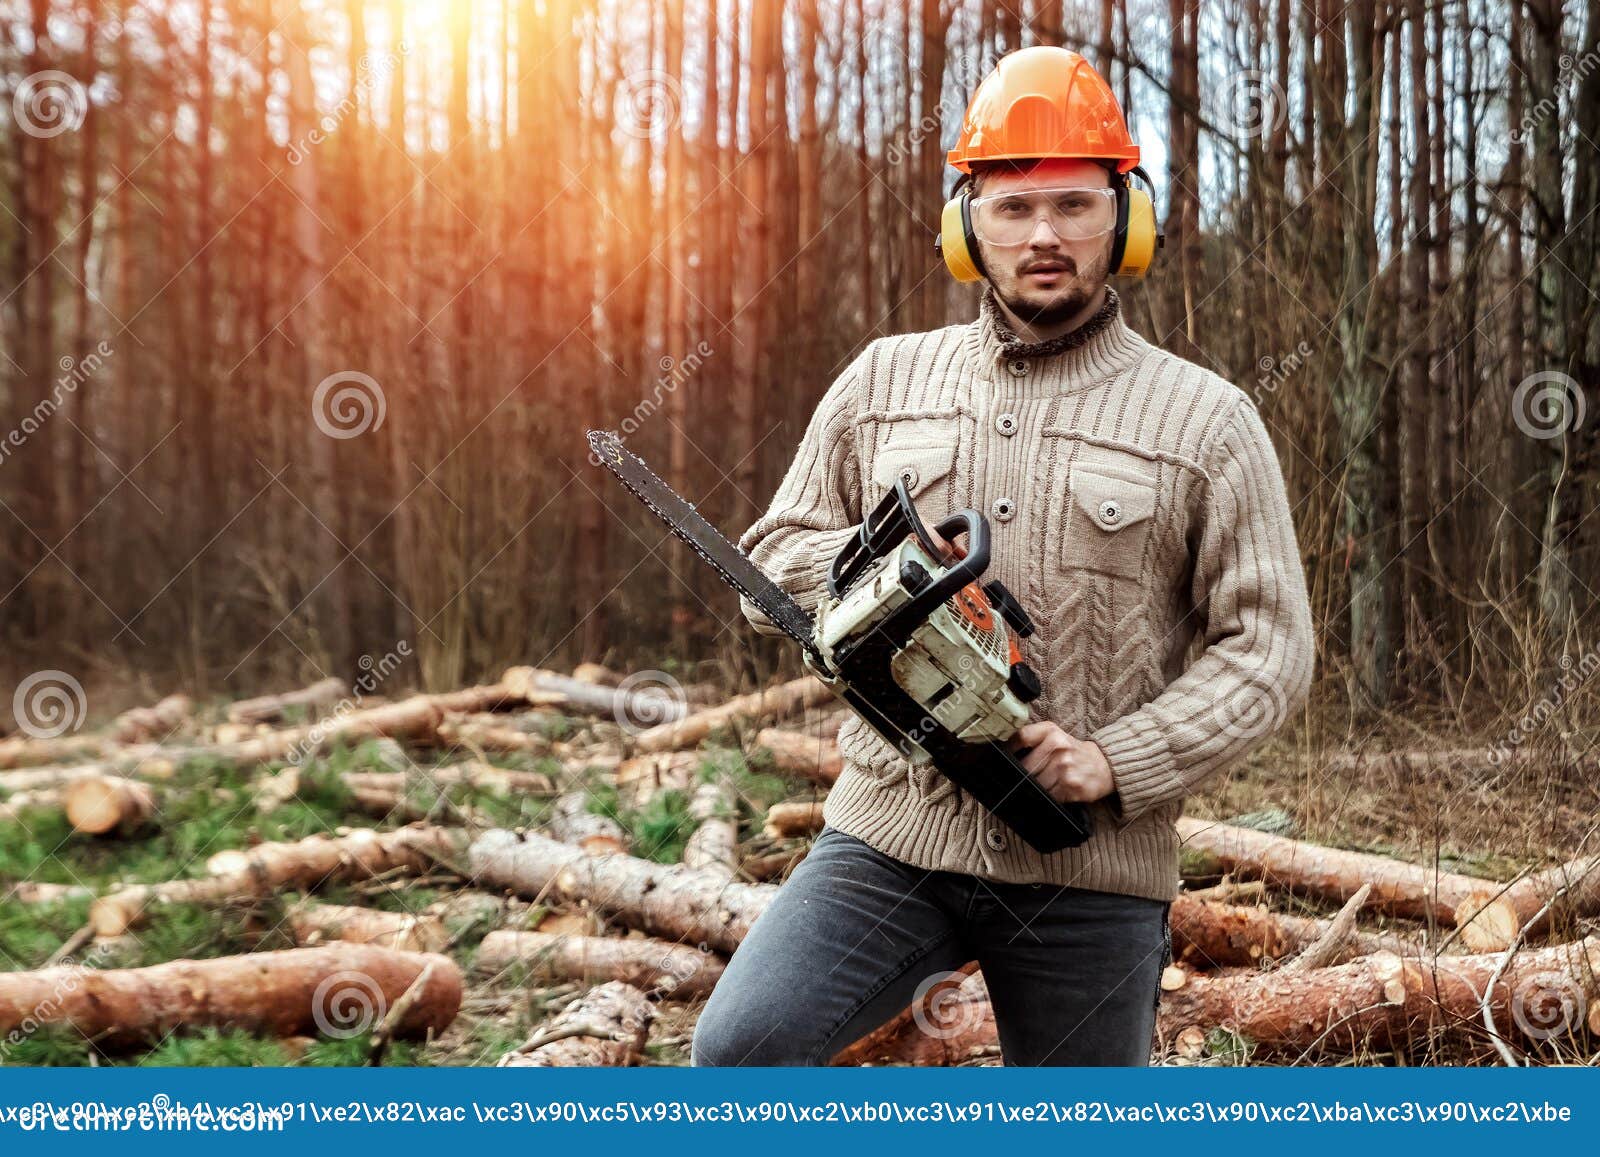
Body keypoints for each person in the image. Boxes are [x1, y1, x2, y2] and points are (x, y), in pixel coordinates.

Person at [691, 45, 1314, 1067]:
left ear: (1127, 216)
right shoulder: (883, 380)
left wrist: (1118, 760)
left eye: (1073, 204)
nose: (1043, 236)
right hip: (891, 833)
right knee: (742, 1049)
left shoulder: (1207, 420)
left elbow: (1269, 648)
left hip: (1093, 866)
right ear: (963, 223)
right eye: (1012, 207)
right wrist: (873, 570)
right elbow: (773, 558)